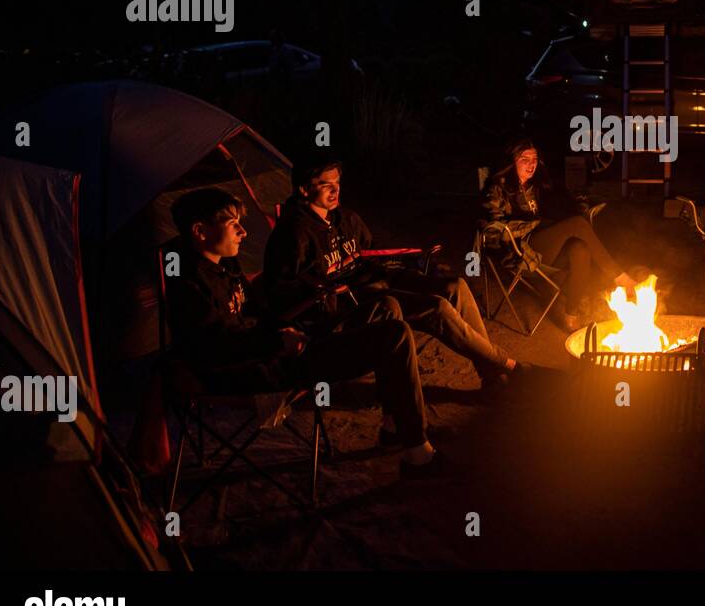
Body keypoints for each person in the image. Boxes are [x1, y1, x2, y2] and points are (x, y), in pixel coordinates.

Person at [164, 187, 440, 476]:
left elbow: (258, 313)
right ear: (200, 231)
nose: (243, 232)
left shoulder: (226, 264)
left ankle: (395, 425)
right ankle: (419, 454)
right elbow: (215, 346)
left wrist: (294, 319)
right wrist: (277, 340)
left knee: (386, 305)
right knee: (394, 334)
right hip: (253, 368)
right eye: (233, 224)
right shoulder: (187, 284)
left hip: (276, 345)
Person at [263, 159, 522, 392]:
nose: (335, 190)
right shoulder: (293, 234)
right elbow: (284, 291)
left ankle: (491, 374)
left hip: (375, 279)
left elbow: (372, 252)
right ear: (305, 189)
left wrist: (406, 262)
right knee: (437, 307)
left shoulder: (345, 218)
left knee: (455, 285)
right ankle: (508, 364)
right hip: (351, 303)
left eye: (337, 182)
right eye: (325, 185)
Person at [481, 139, 636, 331]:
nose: (532, 164)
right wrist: (531, 225)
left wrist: (580, 207)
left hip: (540, 248)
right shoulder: (497, 188)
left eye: (534, 159)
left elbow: (560, 209)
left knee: (580, 249)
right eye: (524, 159)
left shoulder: (534, 186)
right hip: (518, 251)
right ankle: (620, 278)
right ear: (512, 161)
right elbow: (494, 228)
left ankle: (571, 314)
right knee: (578, 225)